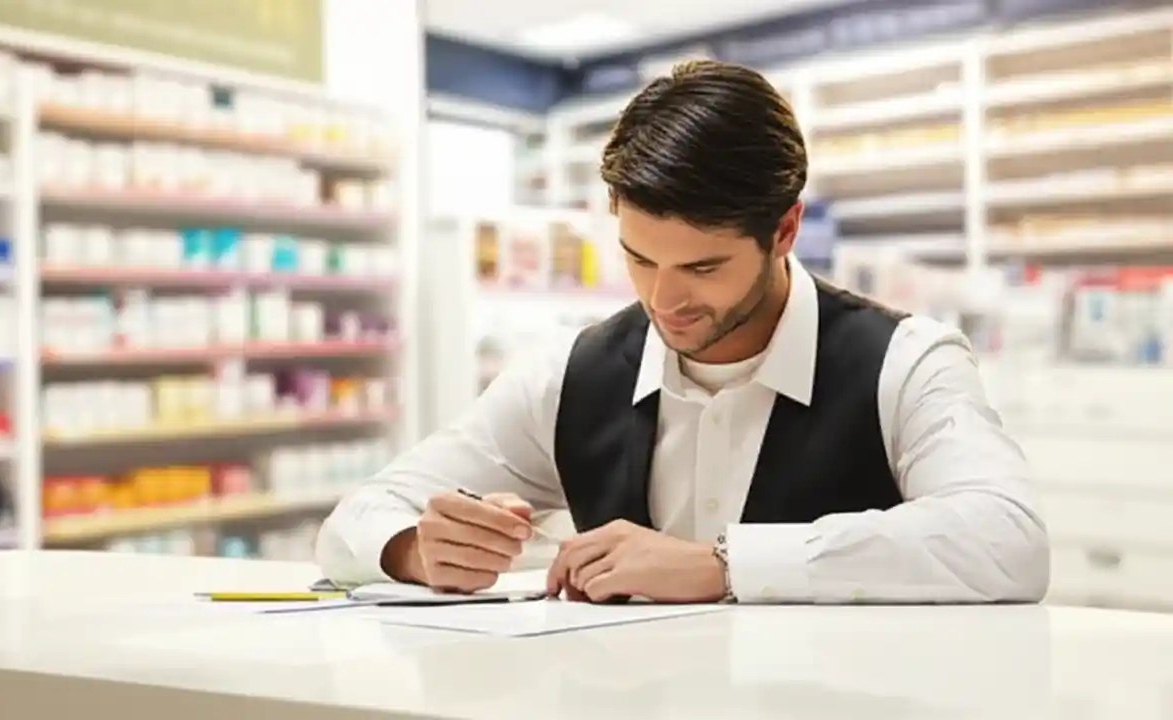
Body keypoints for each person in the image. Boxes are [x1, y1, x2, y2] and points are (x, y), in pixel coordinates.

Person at [317, 60, 1049, 604]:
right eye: (639, 257)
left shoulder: (906, 363)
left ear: (785, 228)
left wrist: (724, 565)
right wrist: (416, 549)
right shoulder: (569, 375)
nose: (665, 299)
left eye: (702, 265)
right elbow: (356, 518)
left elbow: (1009, 539)